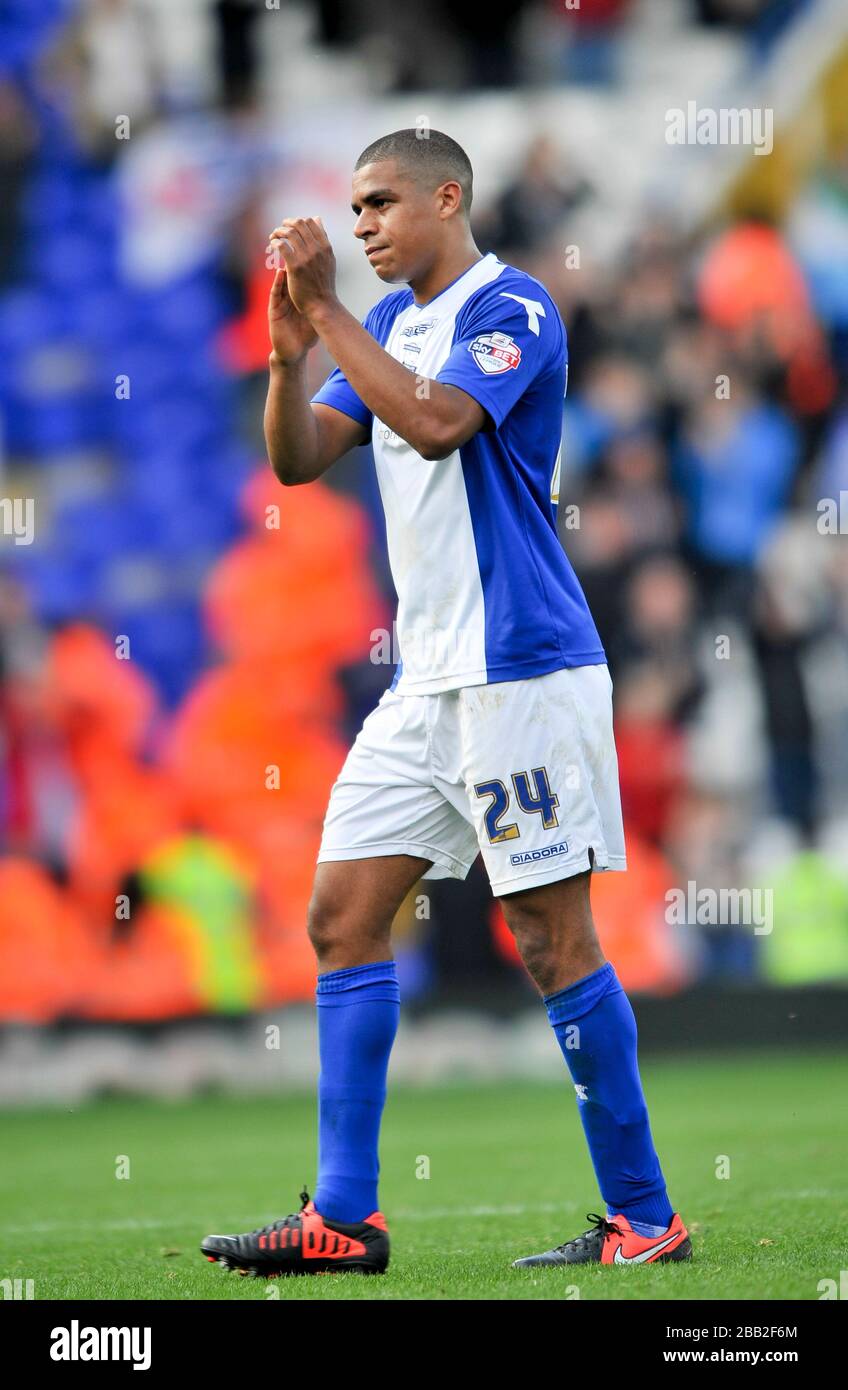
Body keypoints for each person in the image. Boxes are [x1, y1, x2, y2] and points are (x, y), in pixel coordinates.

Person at [200, 128, 691, 1277]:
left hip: (522, 672)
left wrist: (324, 315)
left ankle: (644, 1214)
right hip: (423, 686)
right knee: (339, 918)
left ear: (446, 196)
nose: (361, 223)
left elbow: (435, 422)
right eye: (351, 207)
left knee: (548, 939)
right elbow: (298, 458)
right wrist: (286, 358)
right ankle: (345, 1216)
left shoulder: (509, 307)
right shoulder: (381, 330)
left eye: (379, 202)